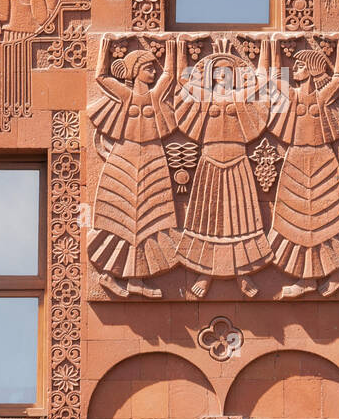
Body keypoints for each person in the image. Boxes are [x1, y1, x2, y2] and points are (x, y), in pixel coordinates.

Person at [174, 39, 271, 298]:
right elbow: (184, 82)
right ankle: (205, 274)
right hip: (210, 161)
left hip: (238, 160)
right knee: (207, 218)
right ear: (210, 75)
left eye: (229, 71)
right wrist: (180, 48)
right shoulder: (205, 97)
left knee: (241, 219)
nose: (223, 75)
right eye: (218, 71)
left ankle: (243, 273)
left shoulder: (240, 97)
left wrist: (266, 47)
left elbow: (261, 80)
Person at [86, 35, 180, 298]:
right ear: (136, 71)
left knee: (150, 217)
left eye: (153, 67)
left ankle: (137, 280)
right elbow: (101, 77)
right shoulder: (125, 95)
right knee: (119, 215)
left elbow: (170, 75)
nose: (154, 71)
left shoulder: (155, 97)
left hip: (152, 157)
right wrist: (105, 47)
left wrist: (171, 45)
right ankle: (108, 273)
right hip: (124, 157)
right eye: (148, 68)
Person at [265, 40, 339, 299]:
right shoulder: (294, 97)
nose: (294, 69)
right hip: (296, 159)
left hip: (321, 159)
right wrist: (273, 47)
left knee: (326, 219)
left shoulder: (321, 98)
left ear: (311, 70)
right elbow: (274, 77)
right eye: (293, 66)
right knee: (295, 220)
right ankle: (306, 280)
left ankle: (337, 272)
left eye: (299, 66)